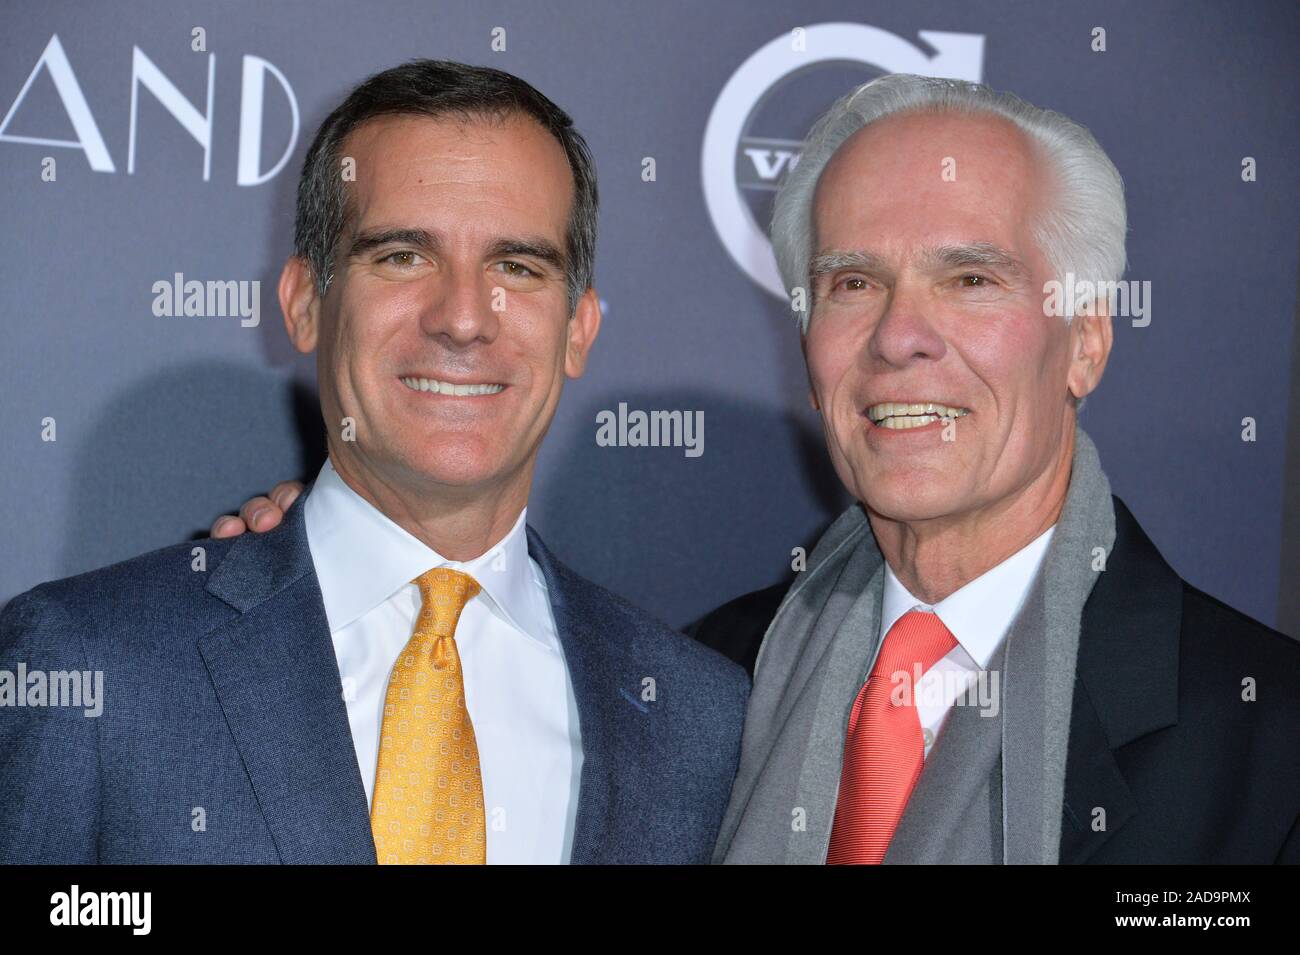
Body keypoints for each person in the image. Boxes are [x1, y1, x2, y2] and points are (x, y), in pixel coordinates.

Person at [212, 74, 1300, 865]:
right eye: (852, 283)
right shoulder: (696, 687)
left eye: (970, 280)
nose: (899, 338)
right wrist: (345, 551)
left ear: (1088, 340)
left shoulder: (1267, 740)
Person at [0, 60, 748, 865]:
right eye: (401, 256)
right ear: (304, 303)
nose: (464, 318)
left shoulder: (700, 718)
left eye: (517, 267)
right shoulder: (89, 664)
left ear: (579, 330)